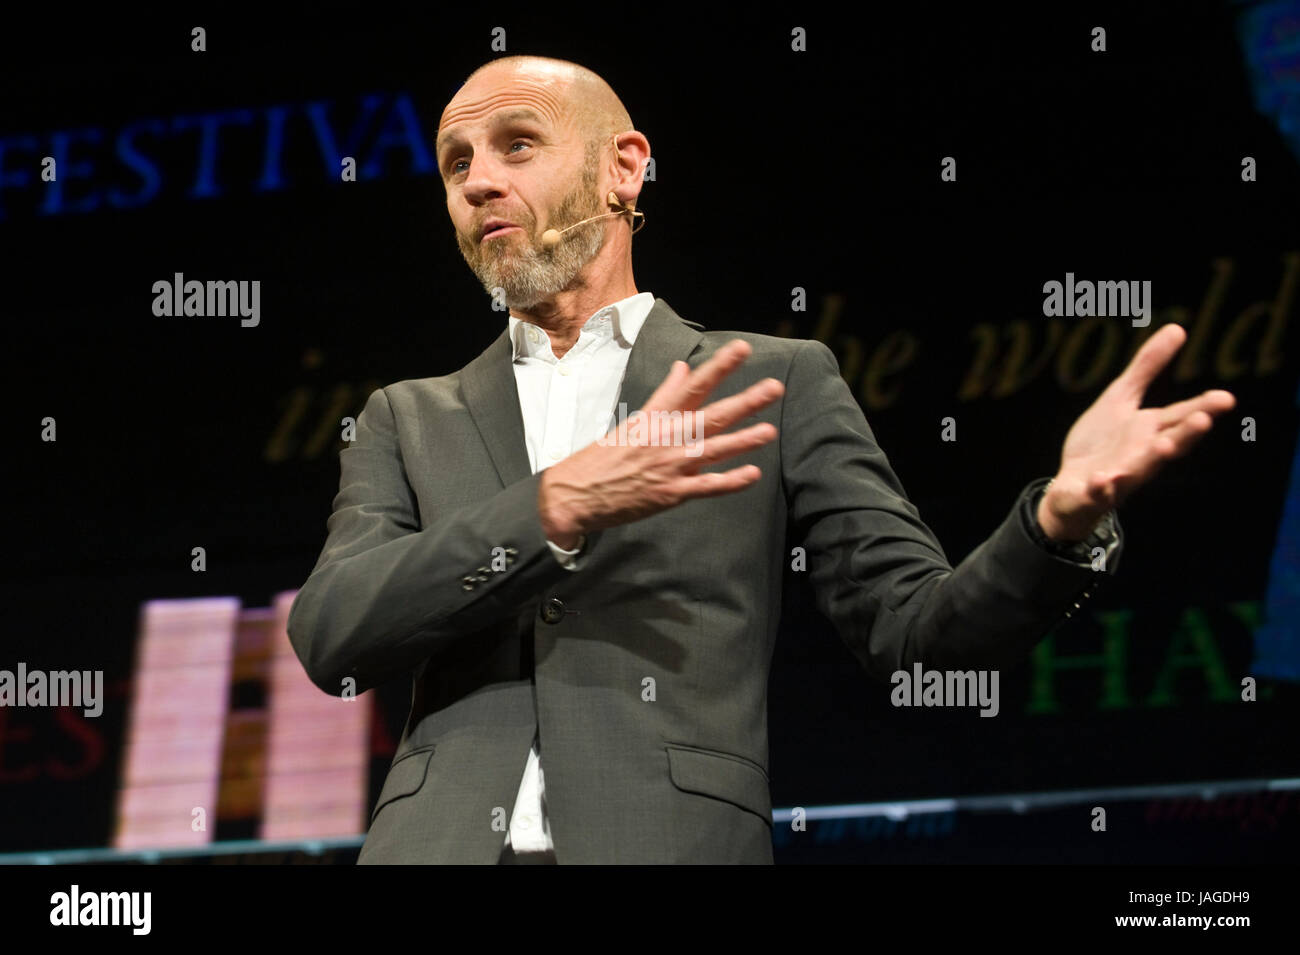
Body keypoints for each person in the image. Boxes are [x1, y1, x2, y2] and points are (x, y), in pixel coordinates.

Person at [286, 55, 1237, 864]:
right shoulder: (407, 418)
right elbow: (332, 634)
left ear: (625, 168)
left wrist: (1055, 522)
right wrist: (555, 505)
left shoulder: (776, 380)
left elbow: (917, 633)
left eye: (517, 145)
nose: (478, 182)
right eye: (456, 165)